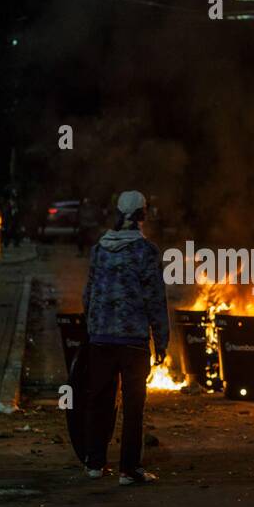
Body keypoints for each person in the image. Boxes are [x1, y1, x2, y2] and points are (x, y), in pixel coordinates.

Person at [81, 190, 169, 485]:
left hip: (101, 338)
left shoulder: (99, 249)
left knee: (100, 399)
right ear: (143, 215)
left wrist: (92, 327)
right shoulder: (146, 252)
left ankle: (94, 463)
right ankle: (128, 470)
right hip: (133, 340)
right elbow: (155, 300)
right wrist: (162, 339)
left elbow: (88, 294)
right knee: (134, 405)